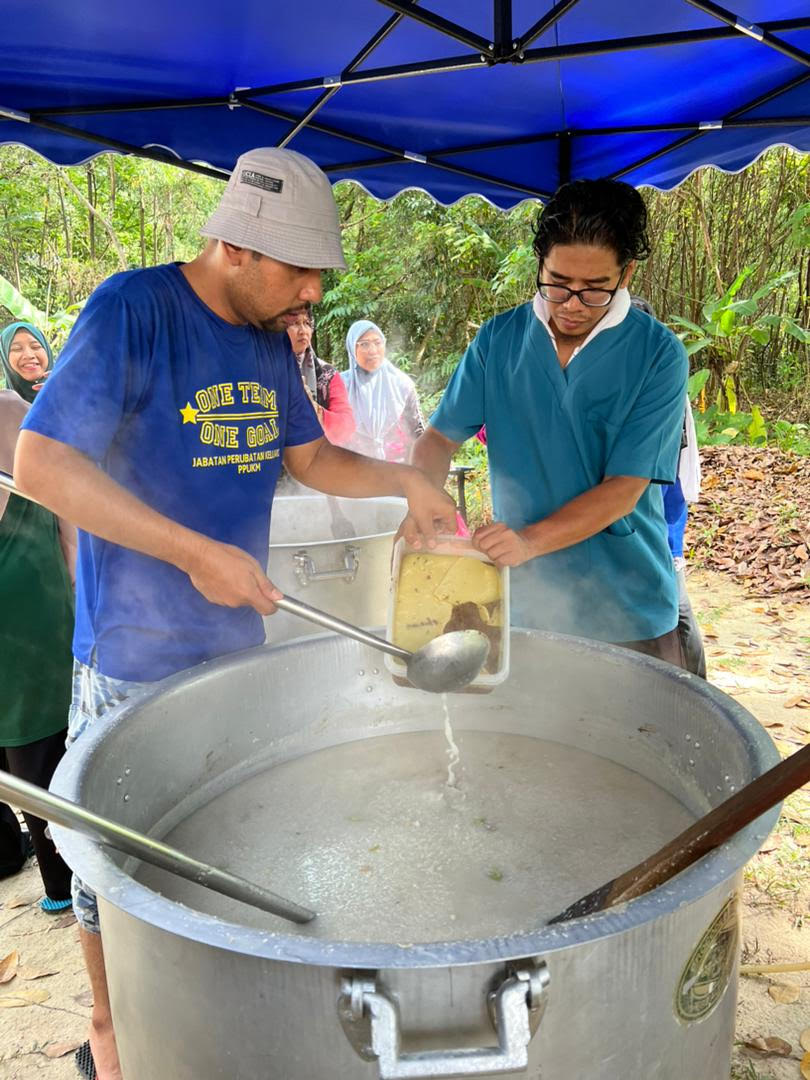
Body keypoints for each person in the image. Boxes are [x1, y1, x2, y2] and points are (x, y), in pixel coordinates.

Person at [13, 147, 456, 1080]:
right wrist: (191, 551)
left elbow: (309, 459)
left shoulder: (263, 339)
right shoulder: (134, 311)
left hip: (237, 647)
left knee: (233, 835)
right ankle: (111, 1025)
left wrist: (405, 486)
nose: (309, 295)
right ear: (238, 249)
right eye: (297, 272)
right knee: (117, 868)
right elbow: (45, 465)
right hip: (134, 656)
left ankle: (216, 1010)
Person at [408, 179, 689, 665]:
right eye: (557, 283)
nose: (572, 304)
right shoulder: (500, 340)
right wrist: (420, 497)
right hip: (526, 603)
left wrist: (528, 540)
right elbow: (436, 439)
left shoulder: (658, 355)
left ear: (626, 275)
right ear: (540, 262)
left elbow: (624, 488)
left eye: (594, 289)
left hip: (629, 606)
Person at [0, 323, 75, 914]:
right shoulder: (13, 408)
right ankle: (61, 881)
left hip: (33, 596)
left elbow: (66, 505)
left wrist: (73, 569)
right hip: (37, 594)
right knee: (29, 735)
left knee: (37, 732)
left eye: (35, 345)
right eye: (15, 349)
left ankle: (67, 883)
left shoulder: (19, 412)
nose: (30, 356)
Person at [629, 297, 706, 677]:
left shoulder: (659, 385)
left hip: (659, 512)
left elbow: (657, 468)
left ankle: (694, 689)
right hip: (651, 513)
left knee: (672, 608)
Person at [339, 319, 425, 462]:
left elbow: (417, 431)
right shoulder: (340, 386)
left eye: (377, 343)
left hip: (397, 472)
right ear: (352, 348)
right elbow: (330, 435)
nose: (373, 350)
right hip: (352, 472)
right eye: (364, 344)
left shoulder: (401, 385)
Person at [286, 308, 355, 444]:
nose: (303, 331)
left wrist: (315, 410)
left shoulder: (326, 374)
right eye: (294, 323)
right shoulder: (261, 371)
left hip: (315, 458)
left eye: (306, 323)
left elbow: (347, 427)